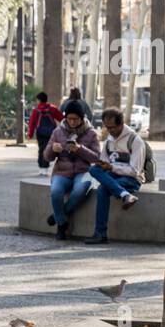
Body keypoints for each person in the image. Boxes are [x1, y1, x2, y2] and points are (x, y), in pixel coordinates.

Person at [43, 99, 101, 240]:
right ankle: (62, 224)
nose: (72, 122)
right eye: (69, 119)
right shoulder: (58, 132)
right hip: (62, 171)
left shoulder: (91, 133)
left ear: (82, 118)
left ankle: (58, 217)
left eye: (76, 119)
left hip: (83, 171)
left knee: (80, 190)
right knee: (56, 192)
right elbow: (46, 157)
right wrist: (52, 149)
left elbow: (97, 158)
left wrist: (80, 149)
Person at [84, 107, 142, 245]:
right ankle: (125, 195)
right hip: (112, 177)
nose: (110, 131)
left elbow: (135, 171)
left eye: (113, 127)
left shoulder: (135, 140)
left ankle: (100, 233)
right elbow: (105, 160)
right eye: (107, 127)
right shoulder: (109, 140)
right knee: (93, 170)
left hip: (131, 180)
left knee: (103, 189)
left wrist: (112, 167)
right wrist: (103, 165)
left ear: (121, 124)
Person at [27, 92, 63, 172]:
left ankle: (41, 167)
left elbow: (32, 124)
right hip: (51, 132)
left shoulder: (36, 111)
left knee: (41, 148)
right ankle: (46, 166)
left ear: (39, 100)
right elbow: (61, 118)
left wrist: (30, 134)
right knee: (48, 148)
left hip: (40, 133)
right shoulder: (52, 108)